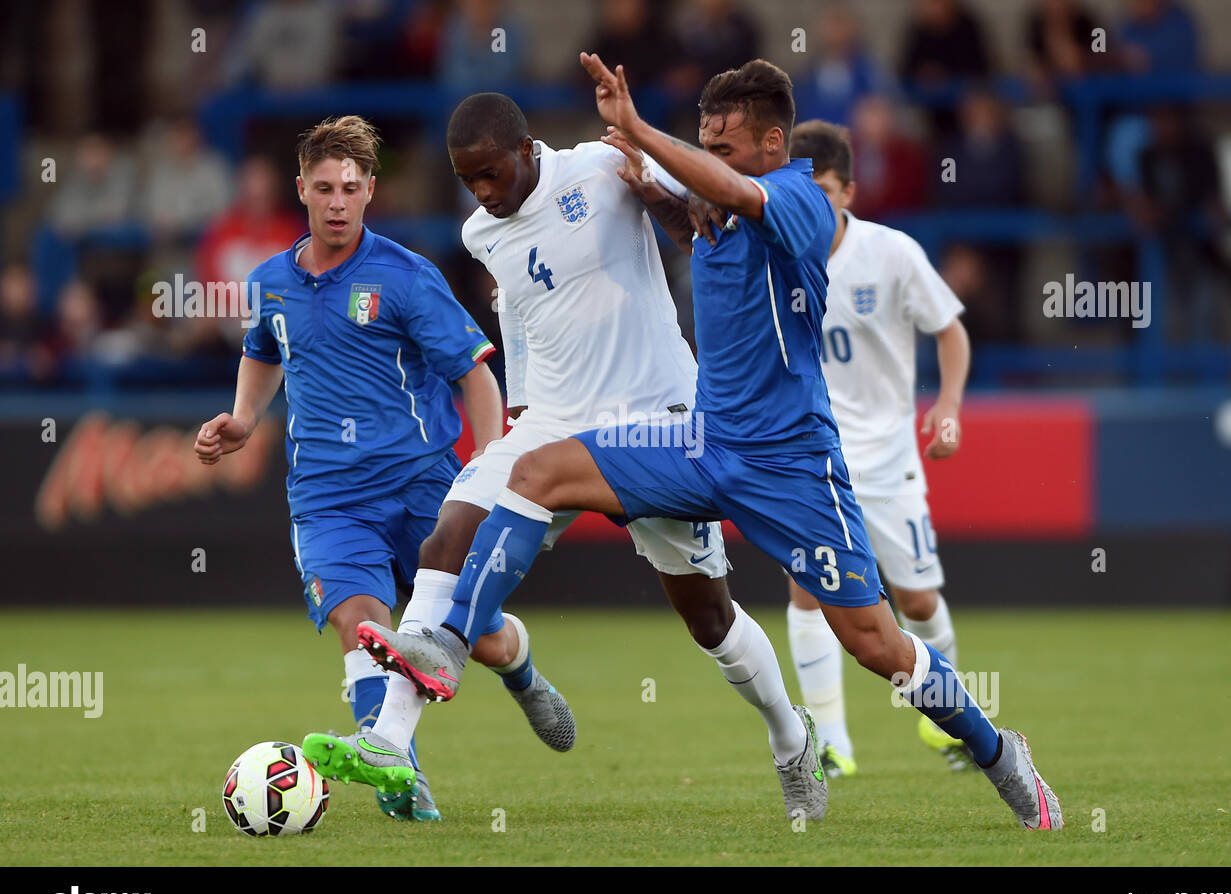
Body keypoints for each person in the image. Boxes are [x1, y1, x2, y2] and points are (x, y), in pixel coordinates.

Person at [360, 57, 1063, 830]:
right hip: (702, 441)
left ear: (770, 142)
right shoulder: (716, 209)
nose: (710, 161)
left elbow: (738, 196)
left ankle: (1000, 754)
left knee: (876, 644)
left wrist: (638, 133)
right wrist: (659, 196)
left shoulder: (800, 198)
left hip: (793, 466)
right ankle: (453, 643)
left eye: (721, 147)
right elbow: (709, 223)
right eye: (703, 141)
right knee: (533, 472)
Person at [304, 92, 822, 821]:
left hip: (655, 417)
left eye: (489, 173)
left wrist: (678, 193)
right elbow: (516, 312)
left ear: (525, 150)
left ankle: (790, 738)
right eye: (467, 180)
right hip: (552, 419)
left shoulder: (604, 166)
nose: (482, 192)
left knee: (709, 619)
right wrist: (515, 414)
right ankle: (390, 737)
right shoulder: (482, 231)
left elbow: (708, 207)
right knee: (449, 534)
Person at [193, 115, 512, 822]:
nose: (337, 201)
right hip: (328, 498)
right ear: (300, 188)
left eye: (351, 188)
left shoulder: (406, 276)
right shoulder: (270, 281)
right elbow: (263, 349)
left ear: (370, 190)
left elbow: (476, 375)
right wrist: (244, 419)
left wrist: (487, 467)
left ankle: (519, 667)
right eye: (324, 187)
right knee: (362, 625)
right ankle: (401, 773)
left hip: (421, 481)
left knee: (476, 635)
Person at [784, 120, 973, 777]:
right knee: (810, 594)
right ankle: (833, 744)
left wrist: (947, 405)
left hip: (889, 455)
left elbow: (950, 331)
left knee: (915, 601)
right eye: (804, 193)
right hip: (811, 457)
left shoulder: (891, 253)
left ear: (850, 190)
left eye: (828, 192)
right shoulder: (776, 254)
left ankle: (943, 712)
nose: (817, 206)